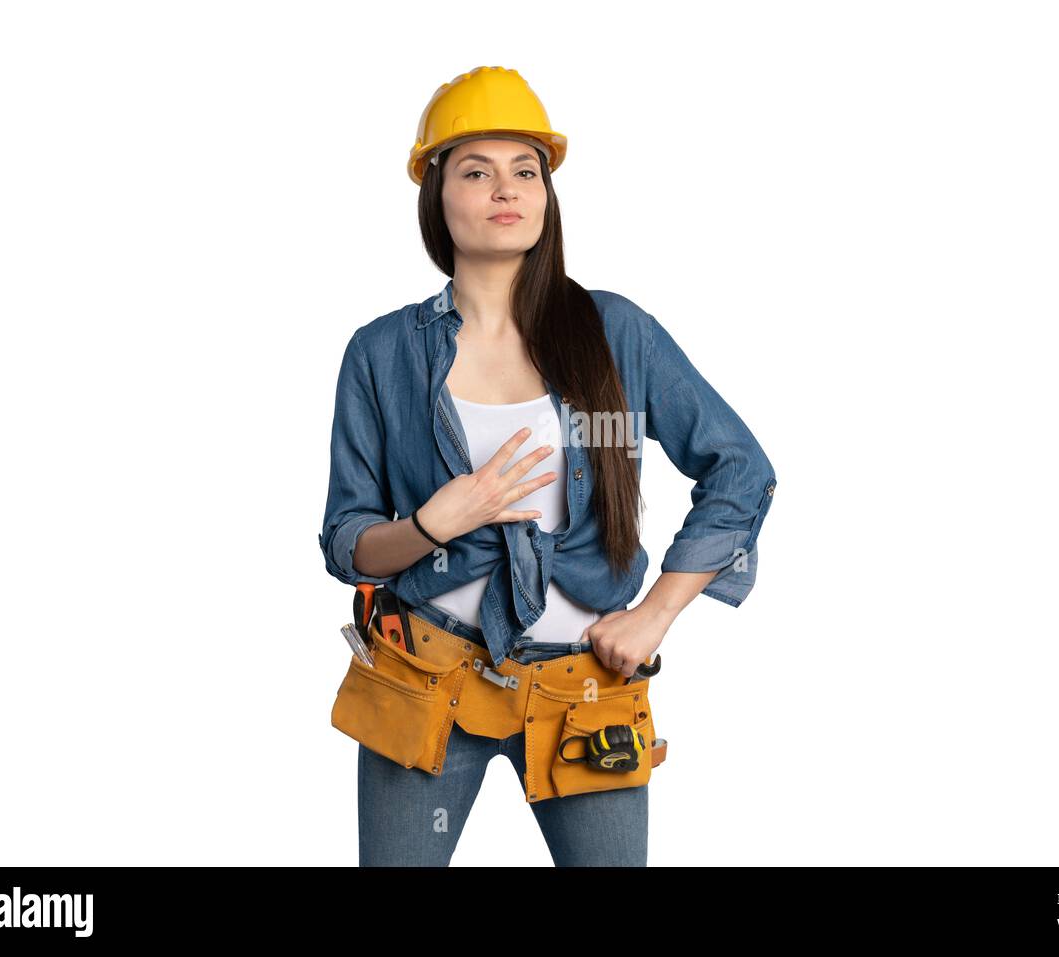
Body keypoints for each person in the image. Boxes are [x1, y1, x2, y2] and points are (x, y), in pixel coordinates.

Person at [319, 66, 777, 866]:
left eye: (525, 170)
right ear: (435, 194)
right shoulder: (380, 353)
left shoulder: (615, 332)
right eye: (476, 170)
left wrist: (655, 614)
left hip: (584, 696)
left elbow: (740, 469)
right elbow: (347, 543)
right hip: (425, 681)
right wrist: (434, 523)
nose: (507, 189)